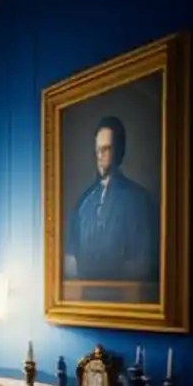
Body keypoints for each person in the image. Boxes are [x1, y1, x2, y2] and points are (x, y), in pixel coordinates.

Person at [63, 116, 158, 283]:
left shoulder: (138, 200)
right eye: (97, 149)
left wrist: (100, 268)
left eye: (106, 149)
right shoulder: (83, 203)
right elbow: (69, 262)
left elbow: (143, 265)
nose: (100, 155)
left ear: (119, 151)